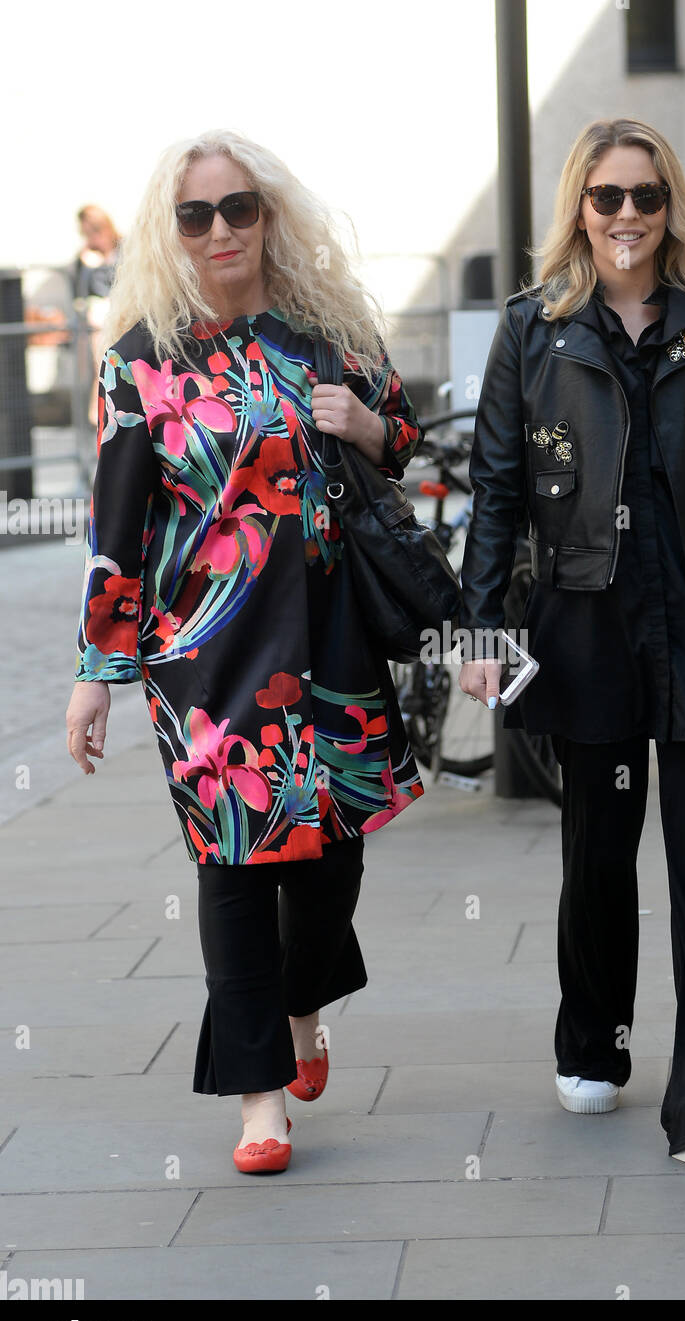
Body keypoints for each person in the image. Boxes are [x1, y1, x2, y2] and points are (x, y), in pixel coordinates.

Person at [65, 131, 425, 1175]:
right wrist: (99, 673)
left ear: (267, 215)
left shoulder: (323, 338)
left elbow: (403, 437)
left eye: (238, 208)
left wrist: (363, 421)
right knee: (231, 861)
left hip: (335, 638)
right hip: (204, 656)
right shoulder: (140, 361)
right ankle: (259, 1098)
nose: (220, 230)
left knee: (334, 853)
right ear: (168, 233)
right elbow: (116, 526)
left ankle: (307, 995)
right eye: (195, 214)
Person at [457, 117, 685, 1175]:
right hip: (587, 624)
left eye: (645, 198)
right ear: (580, 208)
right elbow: (498, 487)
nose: (626, 217)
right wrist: (481, 622)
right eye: (606, 198)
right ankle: (594, 1037)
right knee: (600, 856)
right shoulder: (534, 330)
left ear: (670, 209)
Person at [72, 206, 122, 431]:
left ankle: (101, 410)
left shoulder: (123, 248)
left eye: (93, 231)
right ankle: (99, 411)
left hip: (120, 317)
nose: (91, 238)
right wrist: (86, 265)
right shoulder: (84, 258)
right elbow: (80, 293)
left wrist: (100, 265)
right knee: (99, 363)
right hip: (97, 322)